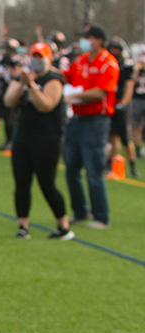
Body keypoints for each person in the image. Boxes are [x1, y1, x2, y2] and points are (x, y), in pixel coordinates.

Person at [4, 42, 74, 240]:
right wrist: (23, 84)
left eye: (40, 57)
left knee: (47, 184)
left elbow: (46, 105)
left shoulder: (54, 79)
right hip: (23, 136)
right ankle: (23, 225)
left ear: (49, 58)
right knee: (21, 183)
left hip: (47, 139)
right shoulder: (24, 76)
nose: (36, 61)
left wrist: (32, 86)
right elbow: (8, 101)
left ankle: (63, 224)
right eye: (33, 56)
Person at [63, 24, 120, 229]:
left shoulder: (108, 64)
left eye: (88, 38)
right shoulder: (81, 60)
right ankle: (80, 211)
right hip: (77, 119)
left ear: (99, 40)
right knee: (71, 168)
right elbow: (66, 76)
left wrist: (76, 95)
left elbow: (101, 92)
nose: (84, 41)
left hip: (96, 120)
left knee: (93, 168)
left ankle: (101, 216)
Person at [105, 36, 137, 178]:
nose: (115, 52)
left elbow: (129, 86)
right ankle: (110, 164)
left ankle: (132, 166)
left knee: (123, 138)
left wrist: (123, 103)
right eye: (113, 49)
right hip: (108, 104)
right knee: (113, 137)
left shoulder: (126, 66)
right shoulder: (106, 63)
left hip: (119, 105)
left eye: (117, 49)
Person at [130, 44, 145, 158]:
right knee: (137, 126)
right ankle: (138, 148)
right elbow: (132, 83)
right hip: (137, 99)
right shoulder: (136, 68)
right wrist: (136, 70)